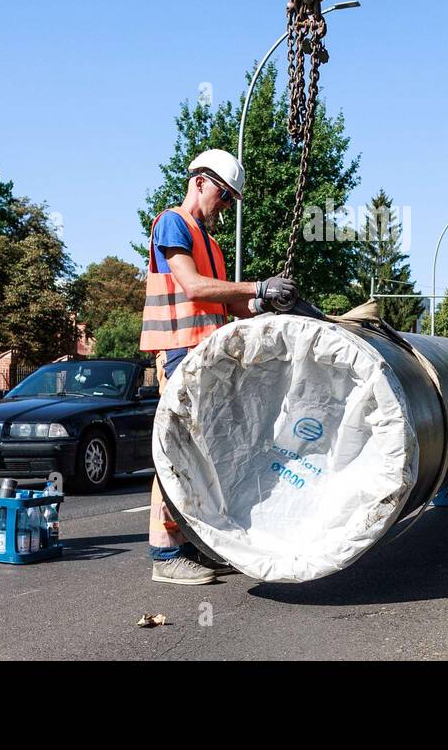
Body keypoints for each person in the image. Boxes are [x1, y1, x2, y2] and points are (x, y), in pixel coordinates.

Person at [139, 149, 298, 585]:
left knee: (199, 453)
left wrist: (265, 304)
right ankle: (163, 553)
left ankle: (187, 543)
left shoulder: (209, 242)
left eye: (230, 201)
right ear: (201, 182)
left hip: (206, 354)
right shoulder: (173, 222)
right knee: (174, 450)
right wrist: (256, 286)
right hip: (178, 352)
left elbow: (227, 301)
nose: (225, 208)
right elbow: (192, 287)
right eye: (224, 197)